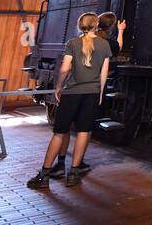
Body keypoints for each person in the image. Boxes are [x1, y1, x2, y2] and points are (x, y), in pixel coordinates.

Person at [29, 12, 111, 190]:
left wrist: (58, 86)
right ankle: (73, 173)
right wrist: (101, 92)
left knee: (59, 132)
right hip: (92, 93)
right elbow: (104, 72)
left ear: (80, 25)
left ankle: (44, 174)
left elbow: (65, 68)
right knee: (83, 132)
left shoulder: (72, 43)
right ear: (96, 25)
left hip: (72, 93)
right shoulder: (104, 44)